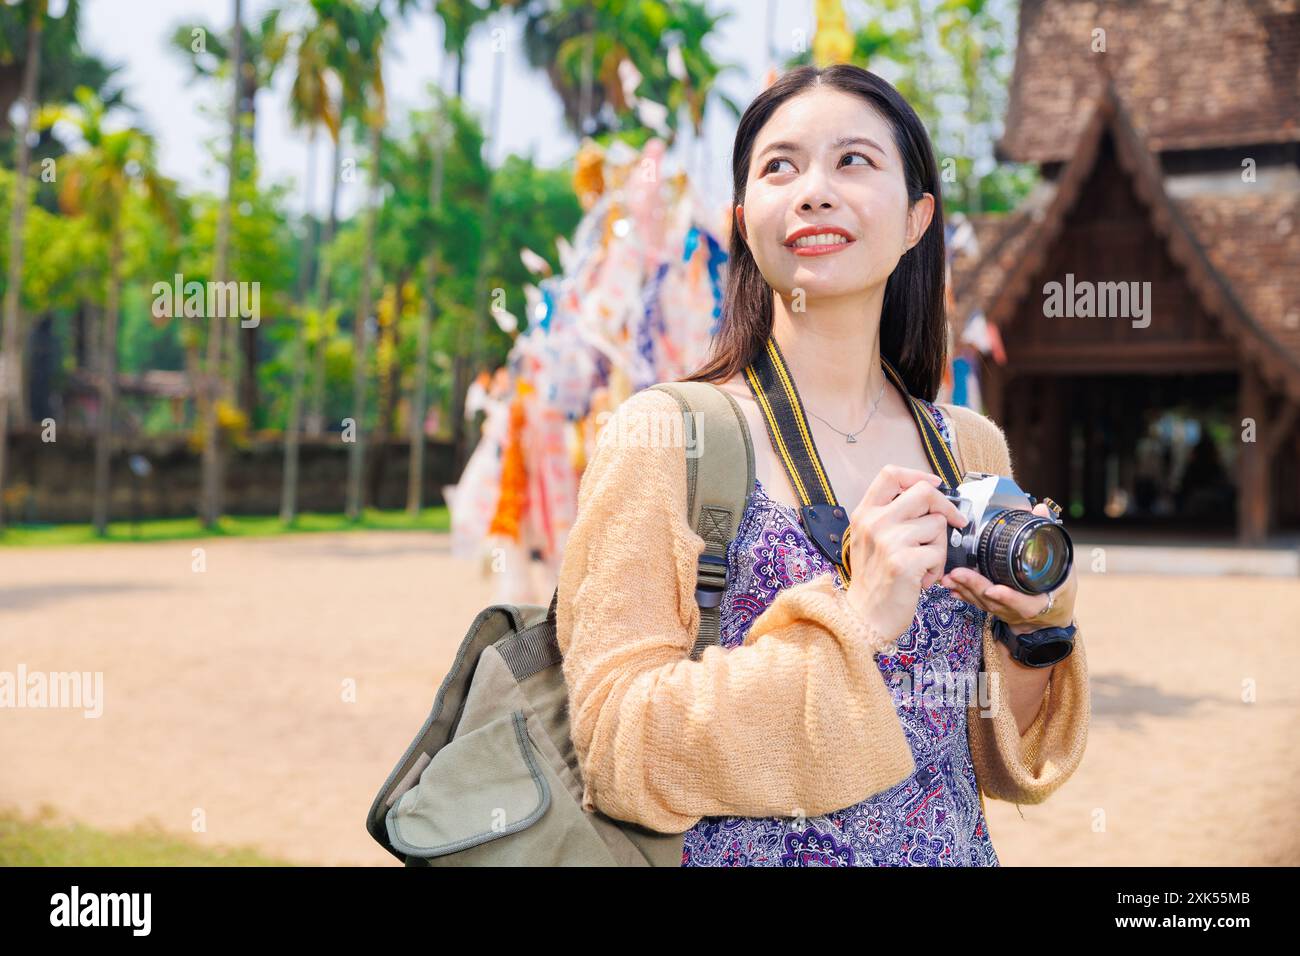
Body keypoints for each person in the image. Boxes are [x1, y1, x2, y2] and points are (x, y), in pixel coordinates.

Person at [555, 64, 1089, 867]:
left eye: (854, 161)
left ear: (917, 219)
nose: (812, 191)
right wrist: (856, 620)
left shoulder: (968, 448)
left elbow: (983, 756)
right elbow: (617, 747)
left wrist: (1035, 630)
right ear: (743, 221)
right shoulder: (665, 437)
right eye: (780, 166)